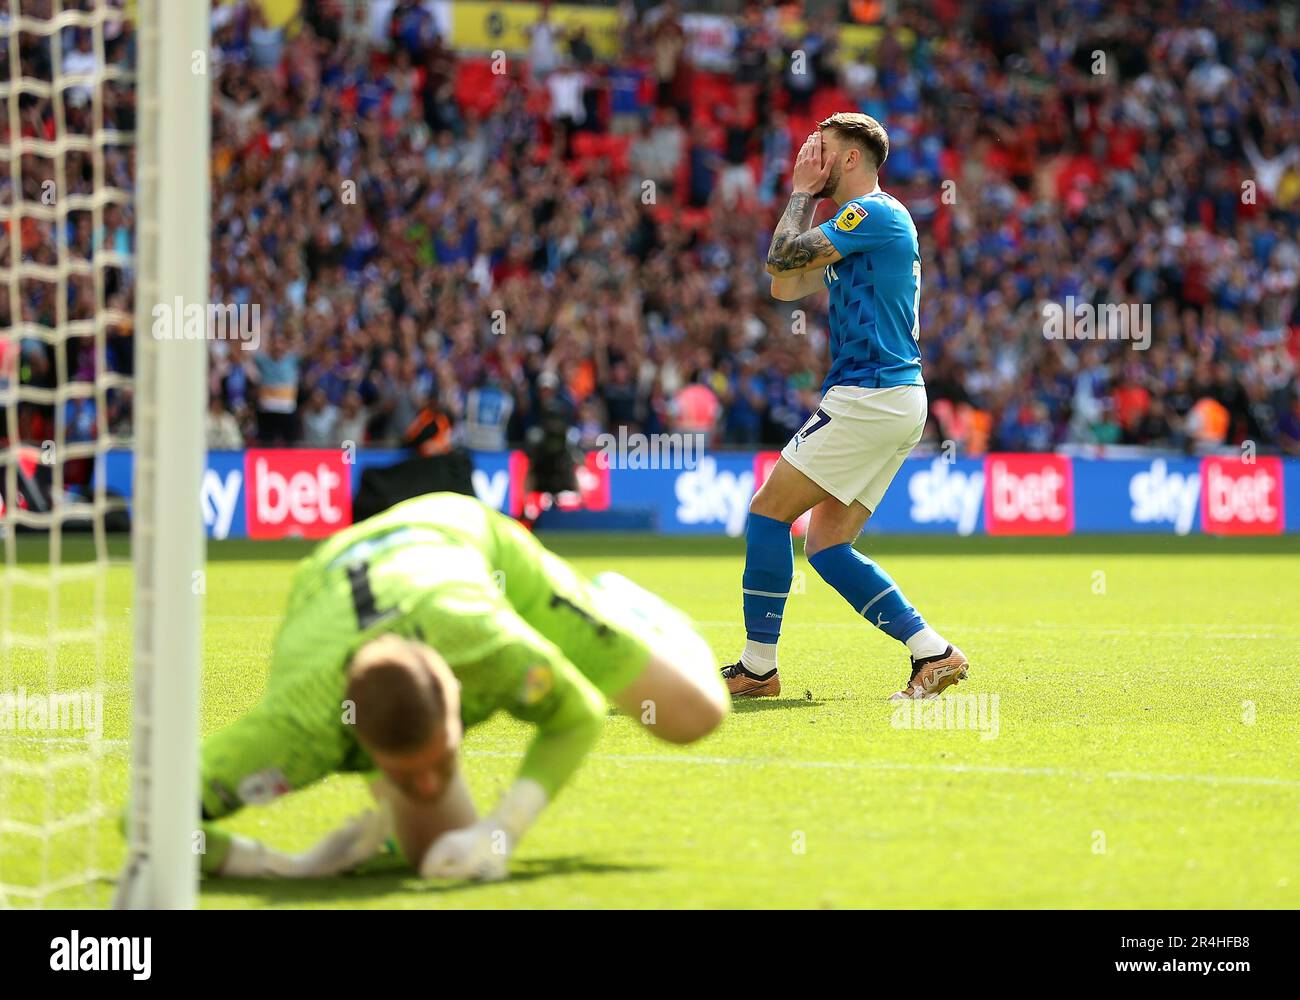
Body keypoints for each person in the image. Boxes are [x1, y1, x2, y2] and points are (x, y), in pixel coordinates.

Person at [199, 493, 728, 882]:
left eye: (443, 761)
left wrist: (504, 828)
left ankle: (616, 607)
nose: (429, 786)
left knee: (693, 716)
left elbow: (578, 712)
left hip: (462, 538)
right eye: (406, 776)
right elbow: (146, 824)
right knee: (433, 853)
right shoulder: (293, 730)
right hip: (330, 573)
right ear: (361, 747)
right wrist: (281, 866)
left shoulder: (488, 650)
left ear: (463, 702)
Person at [721, 112, 968, 702]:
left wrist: (799, 195)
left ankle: (758, 668)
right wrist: (805, 206)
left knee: (767, 511)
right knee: (828, 547)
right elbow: (782, 282)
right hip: (892, 395)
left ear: (851, 159)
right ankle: (931, 651)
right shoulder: (852, 227)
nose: (810, 158)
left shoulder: (872, 213)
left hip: (870, 391)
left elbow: (781, 256)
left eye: (821, 149)